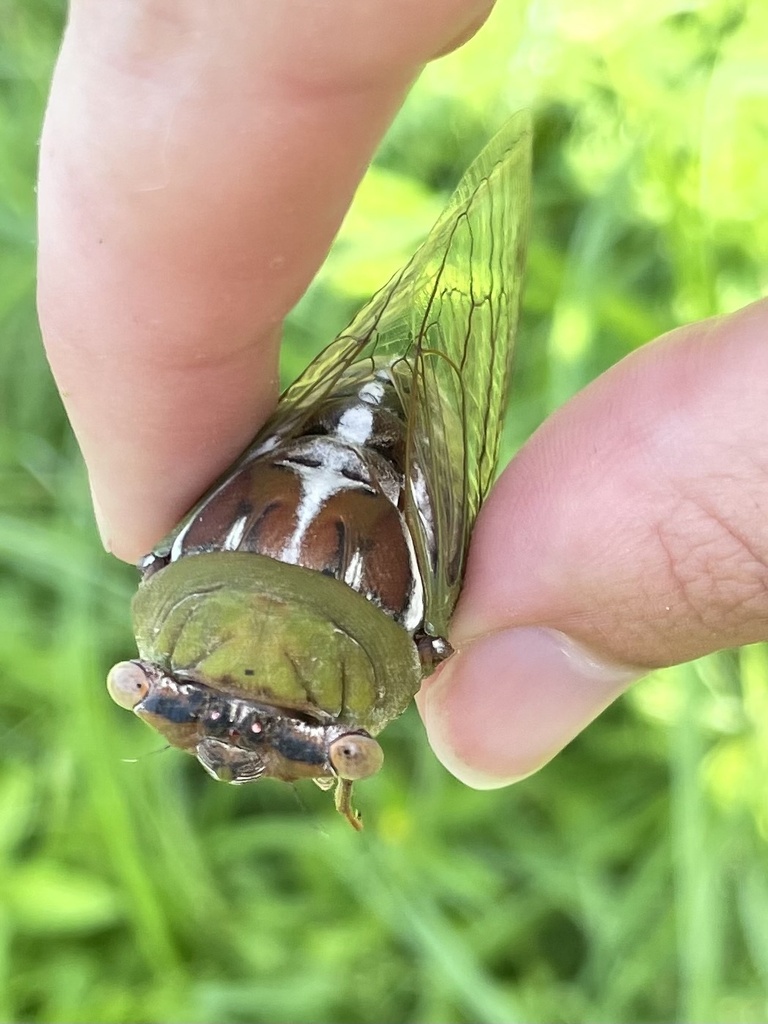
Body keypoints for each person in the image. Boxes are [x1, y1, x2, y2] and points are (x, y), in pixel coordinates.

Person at [37, 1, 768, 789]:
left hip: (388, 518)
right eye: (341, 750)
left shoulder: (388, 655)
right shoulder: (179, 589)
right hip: (400, 483)